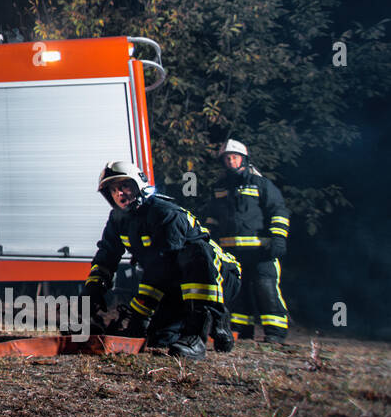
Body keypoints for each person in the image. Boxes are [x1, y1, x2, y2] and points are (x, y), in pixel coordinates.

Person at [83, 161, 229, 359]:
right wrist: (92, 292)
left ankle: (198, 336)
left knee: (193, 251)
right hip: (177, 285)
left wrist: (139, 312)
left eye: (124, 186)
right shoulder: (118, 219)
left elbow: (164, 268)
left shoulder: (164, 213)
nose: (119, 194)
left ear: (139, 184)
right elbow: (106, 256)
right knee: (159, 338)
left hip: (218, 276)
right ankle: (200, 327)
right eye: (114, 190)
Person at [199, 139, 290, 342]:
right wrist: (209, 238)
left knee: (265, 289)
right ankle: (242, 330)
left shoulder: (261, 184)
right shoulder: (220, 188)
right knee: (237, 293)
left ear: (244, 159)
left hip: (260, 251)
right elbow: (212, 216)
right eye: (227, 158)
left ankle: (275, 332)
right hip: (231, 252)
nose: (231, 161)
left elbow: (278, 212)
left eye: (235, 157)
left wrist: (278, 238)